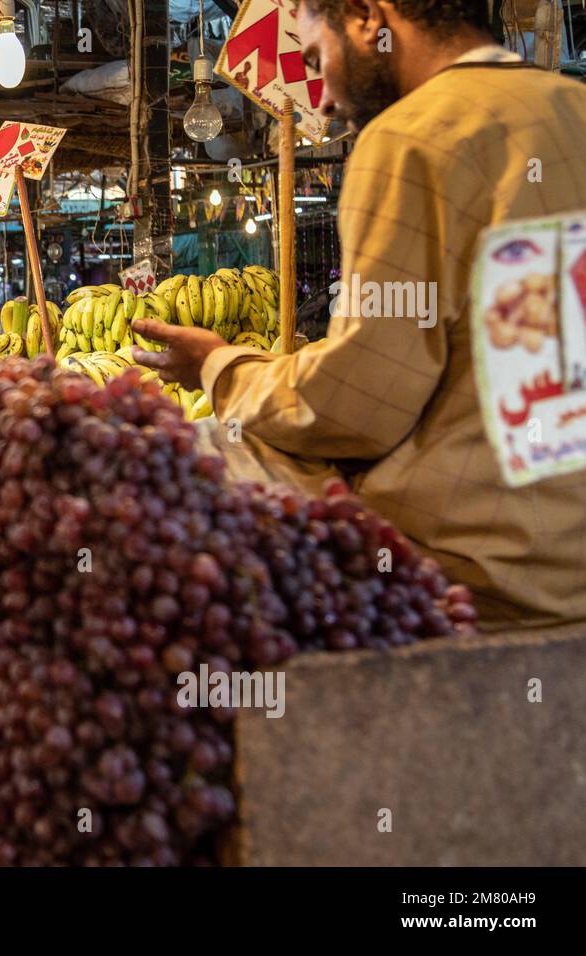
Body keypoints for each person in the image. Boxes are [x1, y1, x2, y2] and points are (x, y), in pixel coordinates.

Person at [132, 0, 586, 629]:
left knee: (204, 455)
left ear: (372, 18)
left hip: (477, 586)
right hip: (572, 569)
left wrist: (220, 367)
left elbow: (357, 409)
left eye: (317, 59)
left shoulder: (409, 137)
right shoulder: (575, 112)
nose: (320, 102)